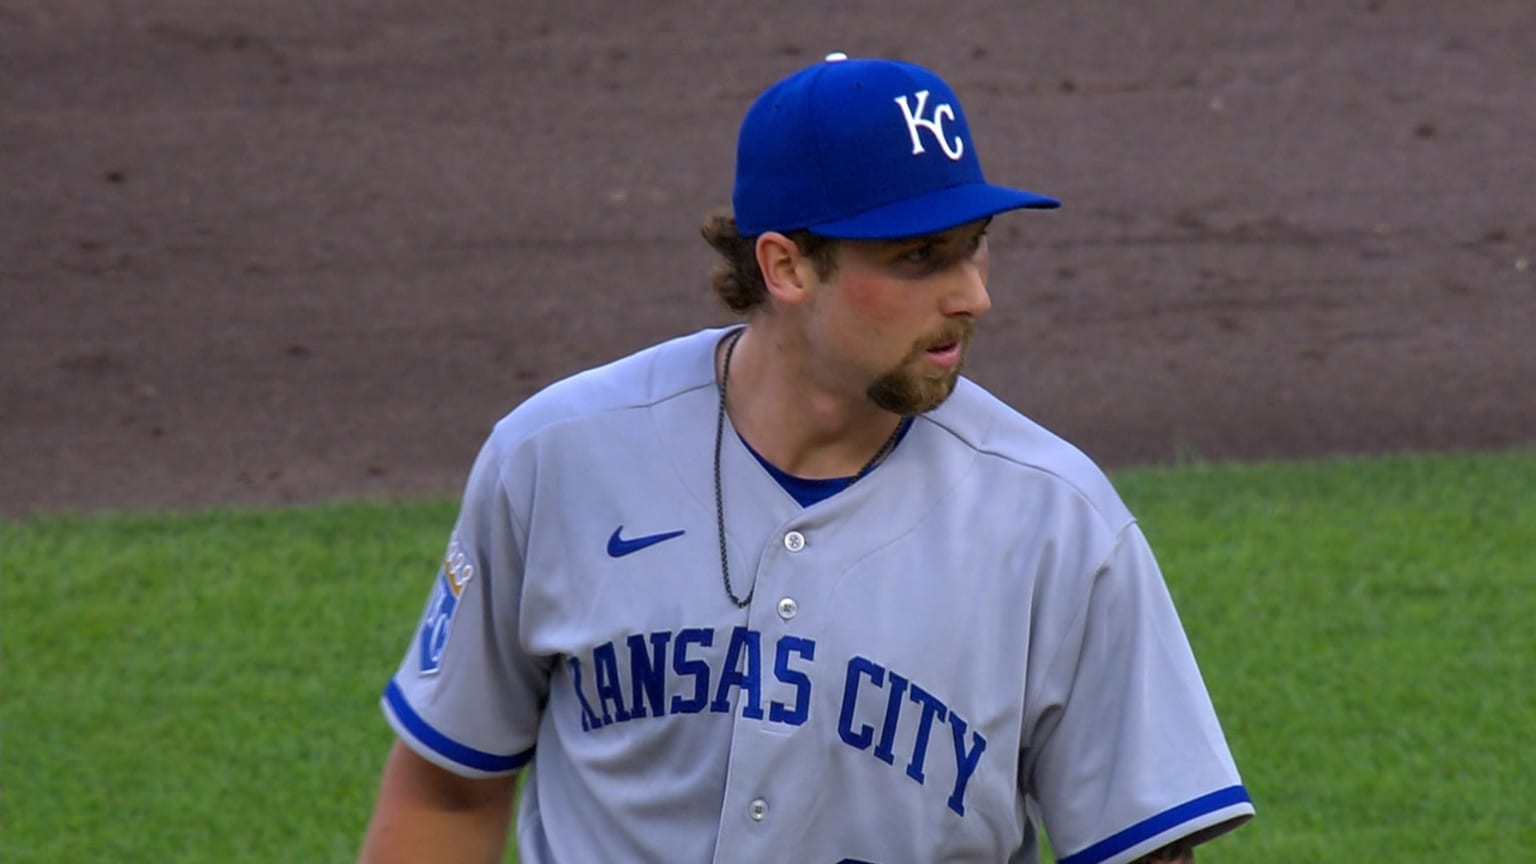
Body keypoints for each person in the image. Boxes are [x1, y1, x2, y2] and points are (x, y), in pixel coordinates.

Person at [356, 53, 1253, 864]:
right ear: (785, 267)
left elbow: (1145, 855)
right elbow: (446, 786)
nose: (972, 294)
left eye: (975, 245)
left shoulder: (1059, 523)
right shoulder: (557, 459)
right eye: (919, 256)